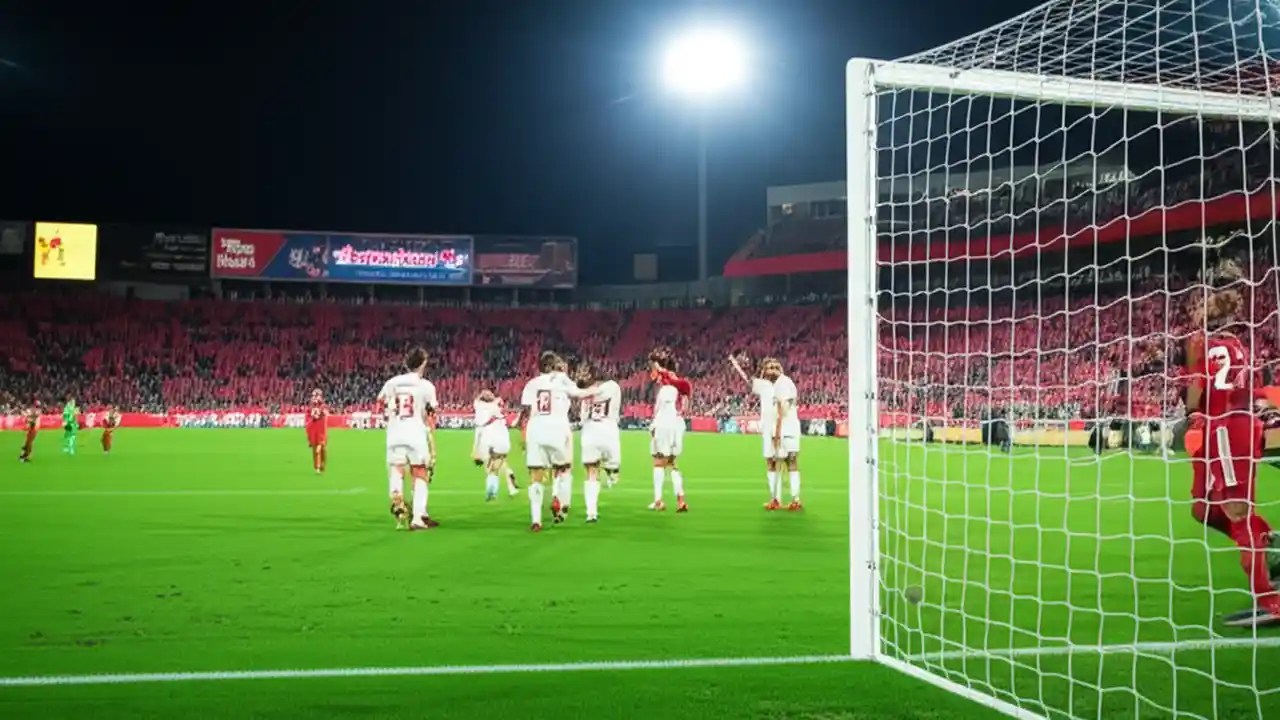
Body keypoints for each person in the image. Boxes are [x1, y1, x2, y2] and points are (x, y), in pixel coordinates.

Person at [1184, 286, 1280, 627]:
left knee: (1237, 514)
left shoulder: (1203, 346)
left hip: (1225, 428)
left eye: (1199, 307)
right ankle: (1269, 541)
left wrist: (1191, 412)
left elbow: (1196, 398)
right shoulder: (1239, 346)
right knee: (1202, 507)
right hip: (1233, 427)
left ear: (1208, 314)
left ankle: (1271, 601)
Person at [517, 351, 596, 531]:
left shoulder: (532, 383)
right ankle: (561, 504)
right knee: (564, 468)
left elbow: (526, 412)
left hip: (536, 428)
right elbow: (579, 393)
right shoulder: (561, 379)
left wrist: (522, 435)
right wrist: (598, 389)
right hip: (557, 427)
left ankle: (536, 520)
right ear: (552, 366)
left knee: (536, 474)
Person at [377, 347, 439, 531]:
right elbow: (431, 413)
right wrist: (432, 442)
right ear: (423, 364)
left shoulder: (392, 382)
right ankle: (418, 517)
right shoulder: (426, 386)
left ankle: (397, 498)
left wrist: (390, 415)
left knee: (397, 469)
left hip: (395, 433)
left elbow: (380, 401)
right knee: (420, 472)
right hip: (415, 433)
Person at [575, 362, 622, 523]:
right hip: (608, 429)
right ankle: (612, 471)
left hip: (590, 432)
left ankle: (591, 512)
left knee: (591, 473)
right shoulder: (613, 387)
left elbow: (582, 418)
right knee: (612, 464)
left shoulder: (585, 394)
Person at [648, 347, 691, 513]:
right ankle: (681, 499)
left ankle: (658, 500)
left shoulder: (666, 387)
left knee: (658, 462)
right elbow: (685, 409)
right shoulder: (683, 386)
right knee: (672, 462)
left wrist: (653, 426)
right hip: (678, 425)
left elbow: (659, 410)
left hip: (663, 424)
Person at [472, 389, 519, 500]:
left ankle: (493, 488)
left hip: (484, 434)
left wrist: (475, 449)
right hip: (499, 436)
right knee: (499, 464)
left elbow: (478, 400)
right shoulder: (495, 407)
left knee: (489, 466)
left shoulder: (478, 405)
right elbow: (501, 407)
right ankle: (509, 485)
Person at [306, 389, 329, 474]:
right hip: (314, 430)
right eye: (314, 396)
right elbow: (308, 419)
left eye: (316, 396)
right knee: (315, 449)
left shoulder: (323, 406)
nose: (315, 398)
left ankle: (322, 464)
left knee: (321, 448)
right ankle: (317, 466)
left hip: (321, 430)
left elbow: (325, 414)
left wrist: (319, 414)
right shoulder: (310, 407)